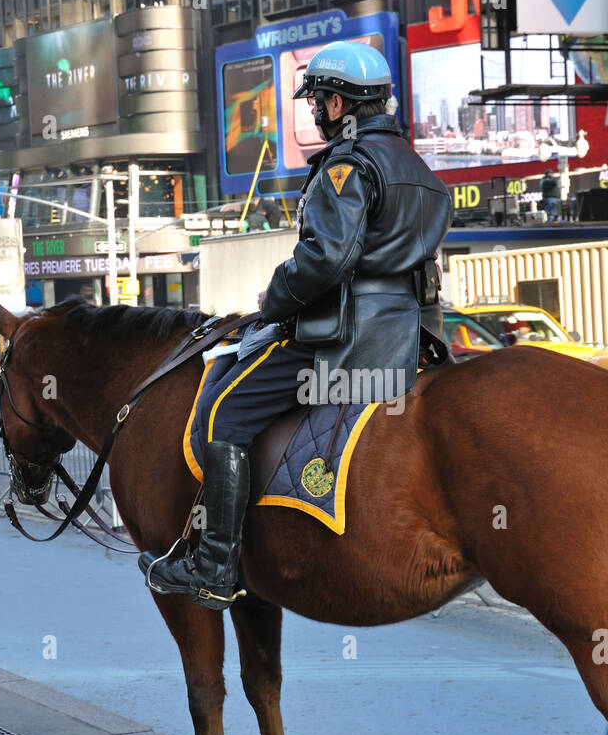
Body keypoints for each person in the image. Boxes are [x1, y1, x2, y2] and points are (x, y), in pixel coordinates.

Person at [139, 40, 453, 608]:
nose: (314, 111)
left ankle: (215, 564)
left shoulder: (349, 166)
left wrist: (276, 297)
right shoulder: (422, 171)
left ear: (339, 105)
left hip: (342, 342)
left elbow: (327, 260)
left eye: (318, 101)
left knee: (223, 412)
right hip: (410, 341)